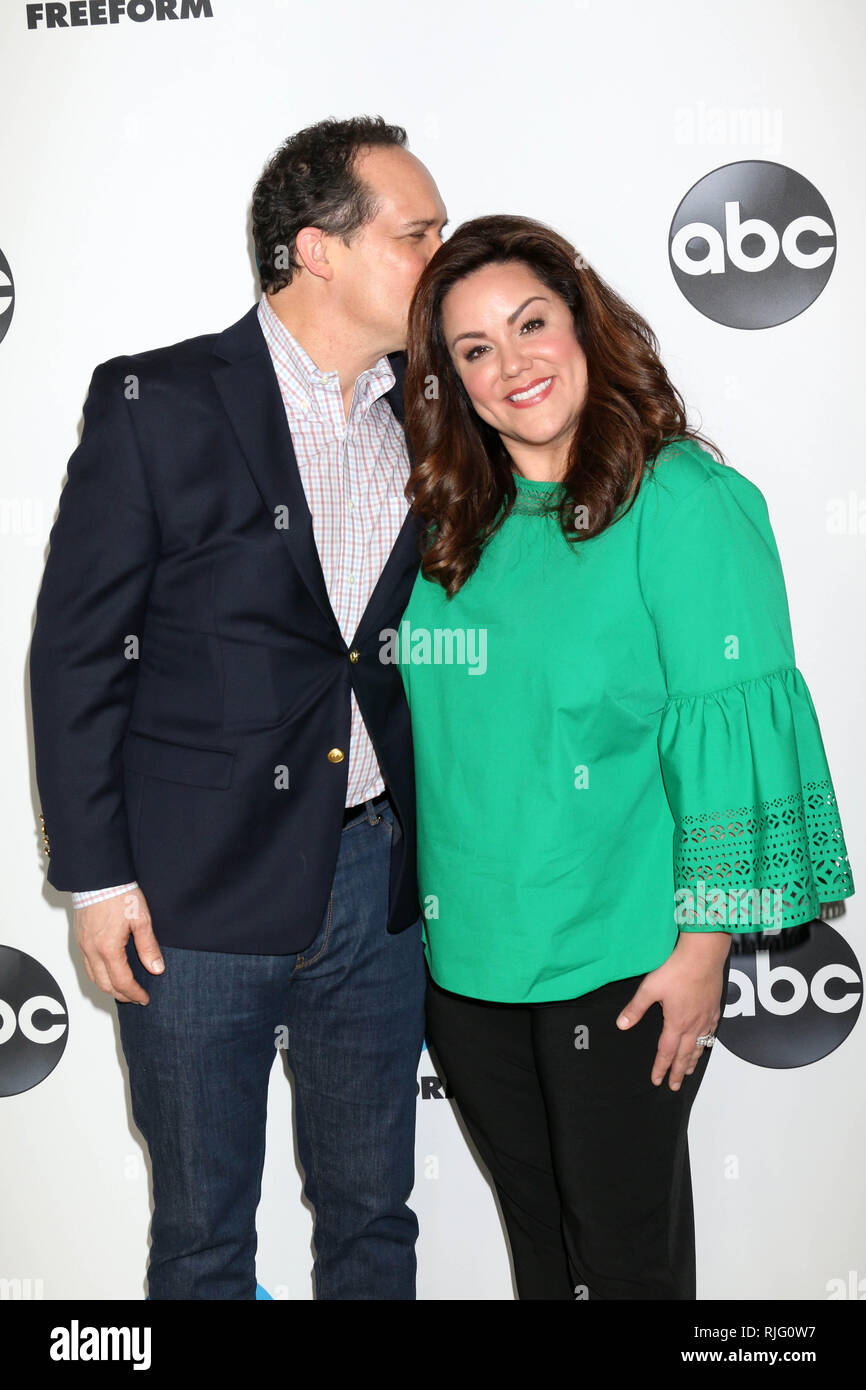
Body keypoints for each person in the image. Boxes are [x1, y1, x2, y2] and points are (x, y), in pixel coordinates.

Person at [396, 214, 855, 1300]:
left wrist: (703, 950)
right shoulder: (450, 520)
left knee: (625, 1266)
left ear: (581, 322)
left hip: (621, 966)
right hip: (466, 971)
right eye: (472, 350)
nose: (510, 365)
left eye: (528, 324)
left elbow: (730, 731)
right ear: (450, 380)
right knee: (545, 1260)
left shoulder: (680, 501)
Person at [29, 116, 448, 1300]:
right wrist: (97, 879)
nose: (440, 256)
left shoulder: (429, 410)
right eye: (416, 234)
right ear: (318, 250)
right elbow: (74, 659)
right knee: (204, 1236)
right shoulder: (157, 401)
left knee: (374, 1220)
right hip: (188, 893)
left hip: (374, 883)